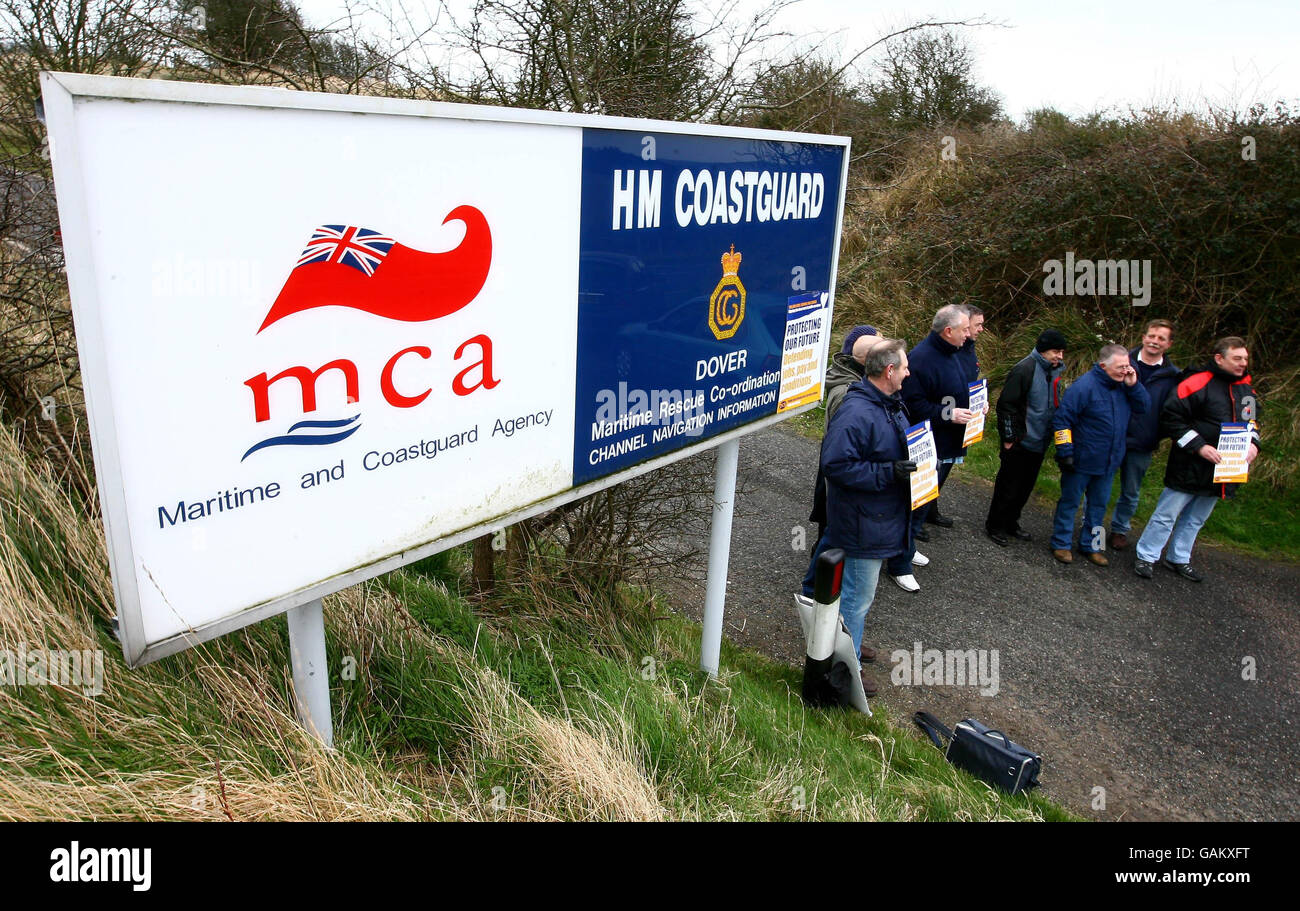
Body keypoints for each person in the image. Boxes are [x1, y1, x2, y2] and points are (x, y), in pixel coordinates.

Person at [820, 339, 914, 697]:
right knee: (855, 599)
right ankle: (846, 670)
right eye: (904, 367)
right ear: (888, 371)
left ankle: (847, 648)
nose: (909, 372)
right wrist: (889, 473)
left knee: (854, 597)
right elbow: (836, 465)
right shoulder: (858, 412)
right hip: (862, 523)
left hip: (876, 517)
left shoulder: (888, 403)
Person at [1134, 337, 1261, 581]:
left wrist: (1254, 444)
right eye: (1237, 358)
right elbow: (1171, 418)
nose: (1243, 363)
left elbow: (1252, 423)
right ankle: (1146, 556)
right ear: (1219, 358)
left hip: (1224, 469)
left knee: (1197, 519)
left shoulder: (1246, 389)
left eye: (1245, 358)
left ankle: (1178, 558)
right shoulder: (1197, 382)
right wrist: (1199, 447)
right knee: (1167, 514)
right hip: (1189, 463)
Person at [885, 304, 972, 591]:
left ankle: (907, 549)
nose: (969, 334)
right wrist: (950, 414)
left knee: (926, 500)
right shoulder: (922, 359)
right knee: (915, 502)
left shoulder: (956, 352)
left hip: (947, 443)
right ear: (948, 331)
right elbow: (913, 405)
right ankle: (898, 564)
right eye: (965, 330)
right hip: (926, 443)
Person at [800, 326, 885, 610]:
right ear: (867, 362)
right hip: (844, 486)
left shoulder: (858, 387)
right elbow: (842, 452)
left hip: (849, 484)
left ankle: (822, 599)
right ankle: (818, 604)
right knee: (833, 543)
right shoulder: (847, 394)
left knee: (833, 541)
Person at [1050, 344, 1149, 565]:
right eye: (1120, 367)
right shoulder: (1083, 387)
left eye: (1128, 366)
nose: (1125, 370)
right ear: (1103, 365)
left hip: (1109, 462)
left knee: (1099, 506)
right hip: (1081, 460)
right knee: (1069, 503)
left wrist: (1134, 386)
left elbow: (1144, 407)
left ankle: (1092, 546)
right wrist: (1065, 451)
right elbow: (1062, 420)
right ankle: (1061, 544)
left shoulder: (1125, 385)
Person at [984, 329, 1068, 546]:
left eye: (1062, 352)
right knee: (1008, 486)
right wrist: (1010, 437)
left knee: (1025, 487)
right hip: (1020, 441)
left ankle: (1012, 523)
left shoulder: (1057, 371)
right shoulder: (1024, 369)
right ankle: (995, 525)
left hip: (1040, 442)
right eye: (1056, 351)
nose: (1060, 356)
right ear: (1043, 350)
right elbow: (1006, 405)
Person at [1107, 319, 1181, 549]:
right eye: (1151, 336)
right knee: (1100, 486)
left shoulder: (1173, 376)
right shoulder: (1121, 362)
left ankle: (1119, 530)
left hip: (1143, 442)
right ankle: (1092, 529)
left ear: (1169, 344)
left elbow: (1173, 411)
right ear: (1143, 337)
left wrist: (1158, 434)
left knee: (1131, 492)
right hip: (1112, 437)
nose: (1154, 341)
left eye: (1161, 338)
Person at [929, 304, 986, 528]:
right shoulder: (951, 352)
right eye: (977, 325)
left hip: (960, 422)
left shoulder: (969, 350)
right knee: (934, 468)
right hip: (943, 422)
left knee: (945, 468)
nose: (981, 329)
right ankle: (921, 514)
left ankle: (930, 509)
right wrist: (948, 412)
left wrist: (982, 402)